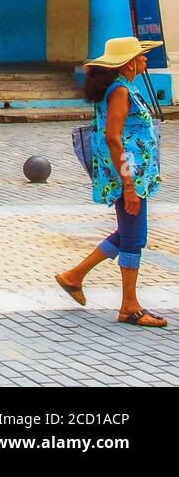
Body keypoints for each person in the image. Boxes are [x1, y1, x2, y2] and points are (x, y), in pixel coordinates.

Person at [56, 37, 168, 328]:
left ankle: (74, 276)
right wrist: (128, 185)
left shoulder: (126, 87)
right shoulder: (119, 91)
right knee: (133, 239)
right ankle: (129, 307)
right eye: (141, 57)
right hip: (126, 176)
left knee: (131, 234)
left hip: (133, 176)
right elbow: (113, 138)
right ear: (130, 62)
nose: (145, 60)